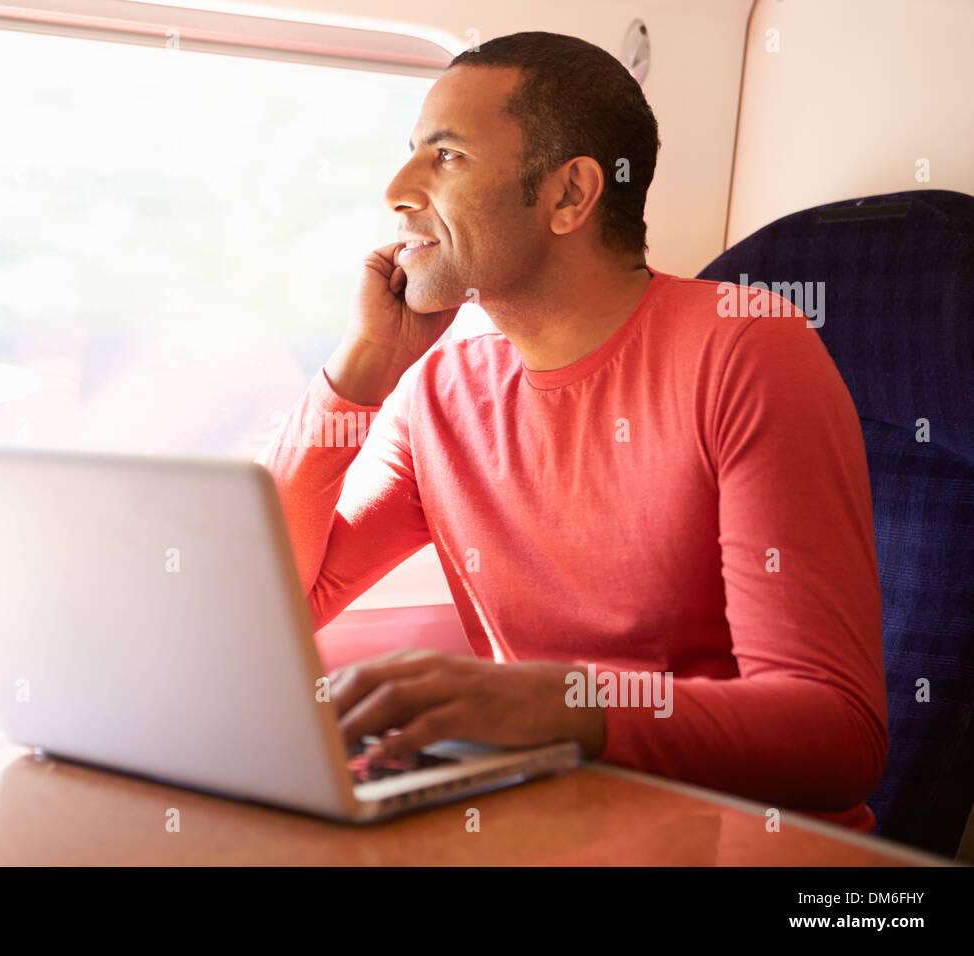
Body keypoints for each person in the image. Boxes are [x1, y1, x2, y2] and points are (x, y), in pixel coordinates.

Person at [255, 31, 887, 831]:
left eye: (445, 157)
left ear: (569, 196)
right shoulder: (442, 392)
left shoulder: (747, 347)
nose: (397, 190)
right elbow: (275, 601)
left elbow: (837, 739)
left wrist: (566, 704)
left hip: (734, 841)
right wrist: (357, 375)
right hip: (553, 829)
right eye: (410, 152)